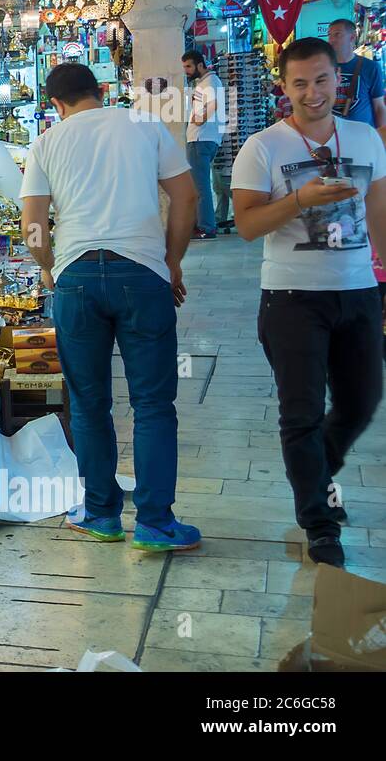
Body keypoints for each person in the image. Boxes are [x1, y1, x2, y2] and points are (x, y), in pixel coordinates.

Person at [20, 63, 201, 552]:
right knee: (153, 405)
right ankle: (157, 523)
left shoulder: (46, 143)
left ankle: (101, 513)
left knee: (88, 403)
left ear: (55, 105)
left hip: (77, 279)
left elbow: (32, 226)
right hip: (143, 275)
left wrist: (51, 264)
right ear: (100, 92)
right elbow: (186, 198)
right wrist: (172, 261)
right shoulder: (145, 124)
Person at [231, 36, 386, 568]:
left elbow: (380, 210)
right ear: (284, 86)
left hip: (359, 290)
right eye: (300, 83)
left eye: (321, 79)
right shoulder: (264, 148)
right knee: (299, 414)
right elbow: (248, 225)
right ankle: (319, 524)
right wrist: (298, 198)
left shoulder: (366, 138)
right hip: (292, 297)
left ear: (338, 78)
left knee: (362, 400)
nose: (313, 92)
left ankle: (317, 472)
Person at [182, 49, 227, 240]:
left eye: (189, 66)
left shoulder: (211, 82)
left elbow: (214, 104)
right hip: (200, 139)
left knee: (200, 187)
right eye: (184, 67)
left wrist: (198, 119)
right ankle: (202, 223)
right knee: (198, 185)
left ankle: (206, 227)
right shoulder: (204, 83)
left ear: (200, 65)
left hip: (201, 139)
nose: (186, 70)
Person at [326, 17, 386, 131]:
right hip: (333, 136)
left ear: (352, 37)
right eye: (329, 35)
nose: (331, 39)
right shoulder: (325, 67)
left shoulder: (371, 67)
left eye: (337, 34)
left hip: (364, 136)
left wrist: (382, 138)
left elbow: (379, 107)